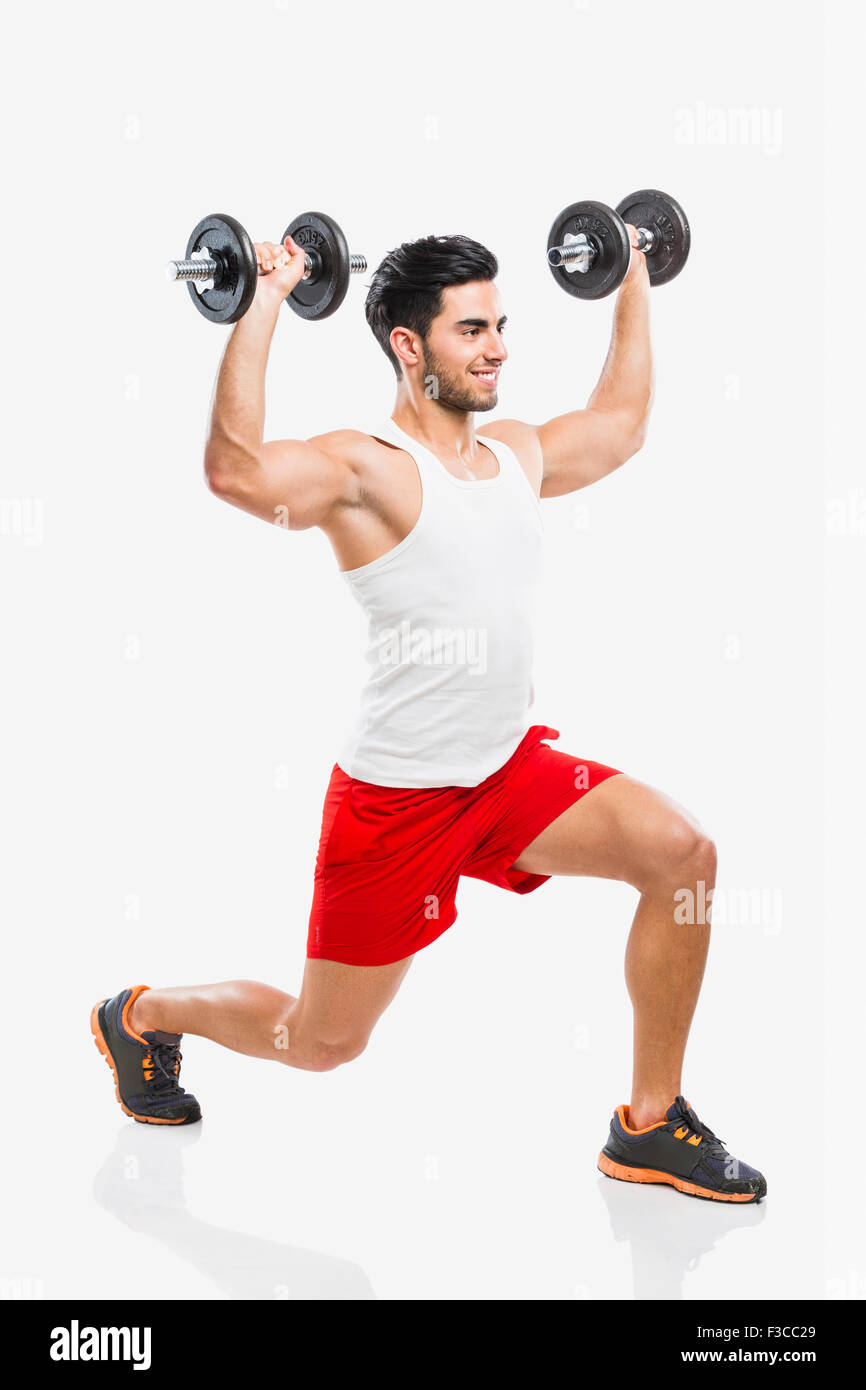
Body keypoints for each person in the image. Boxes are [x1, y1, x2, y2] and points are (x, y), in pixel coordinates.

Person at [91, 223, 765, 1203]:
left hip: (503, 775)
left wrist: (628, 271)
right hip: (394, 806)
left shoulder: (515, 455)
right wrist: (263, 300)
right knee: (320, 1043)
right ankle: (143, 1013)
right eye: (469, 330)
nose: (495, 347)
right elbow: (236, 474)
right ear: (408, 346)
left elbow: (618, 425)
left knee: (681, 856)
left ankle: (649, 1125)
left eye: (498, 325)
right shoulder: (364, 468)